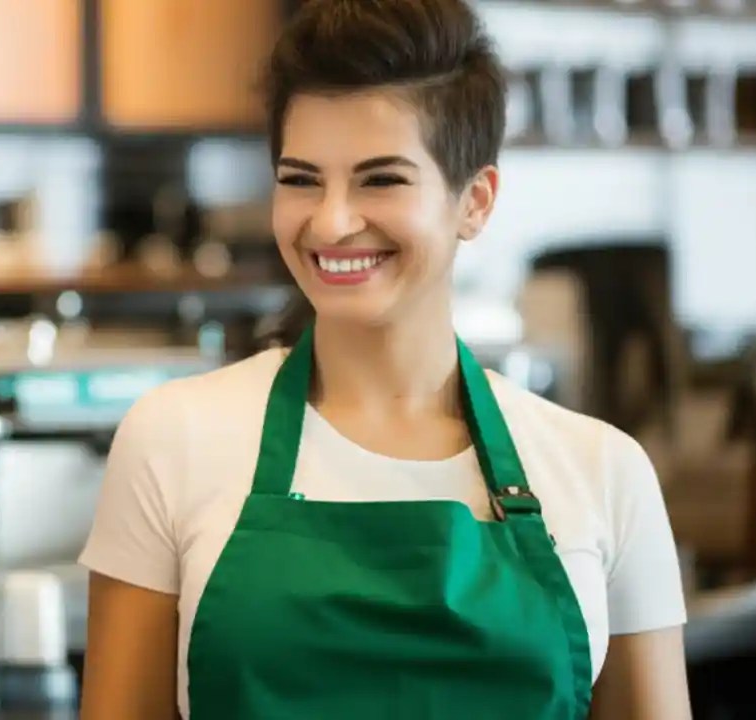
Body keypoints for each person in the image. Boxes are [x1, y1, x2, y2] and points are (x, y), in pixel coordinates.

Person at [78, 0, 691, 717]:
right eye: (301, 178)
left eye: (381, 179)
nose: (331, 222)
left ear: (476, 201)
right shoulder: (173, 439)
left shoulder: (604, 474)